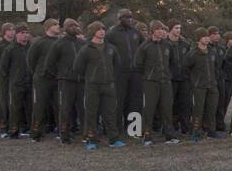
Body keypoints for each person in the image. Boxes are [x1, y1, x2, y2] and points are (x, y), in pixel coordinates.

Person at [73, 21, 124, 149]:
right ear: (92, 32)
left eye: (103, 29)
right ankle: (91, 140)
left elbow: (118, 65)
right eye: (99, 29)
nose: (102, 31)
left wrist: (111, 77)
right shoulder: (85, 49)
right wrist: (91, 77)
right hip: (92, 86)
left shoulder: (111, 48)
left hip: (109, 85)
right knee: (91, 113)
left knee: (110, 112)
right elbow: (78, 67)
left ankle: (114, 139)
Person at [132, 20, 180, 146]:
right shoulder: (145, 46)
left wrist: (167, 74)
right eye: (158, 29)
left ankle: (170, 136)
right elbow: (137, 65)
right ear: (153, 31)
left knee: (167, 108)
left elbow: (172, 62)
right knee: (149, 109)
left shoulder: (167, 45)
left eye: (163, 29)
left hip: (165, 82)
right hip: (150, 83)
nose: (161, 31)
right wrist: (149, 75)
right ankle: (147, 136)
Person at [105, 9, 142, 129]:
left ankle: (133, 127)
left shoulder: (135, 32)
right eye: (127, 17)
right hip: (119, 72)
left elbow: (143, 47)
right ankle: (115, 128)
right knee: (119, 101)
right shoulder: (112, 33)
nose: (130, 19)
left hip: (135, 72)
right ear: (120, 19)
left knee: (135, 101)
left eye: (131, 17)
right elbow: (105, 50)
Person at [184, 31, 220, 141]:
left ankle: (211, 131)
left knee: (212, 109)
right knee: (198, 110)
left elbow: (216, 66)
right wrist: (194, 80)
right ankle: (196, 131)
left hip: (212, 85)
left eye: (206, 36)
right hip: (199, 86)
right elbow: (185, 68)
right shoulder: (192, 53)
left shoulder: (212, 51)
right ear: (199, 39)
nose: (206, 38)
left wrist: (214, 79)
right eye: (204, 36)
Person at [0, 26, 32, 138]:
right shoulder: (10, 49)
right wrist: (14, 78)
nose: (25, 35)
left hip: (30, 83)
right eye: (22, 33)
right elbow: (3, 68)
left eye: (27, 33)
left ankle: (30, 129)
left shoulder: (31, 47)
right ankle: (13, 131)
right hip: (16, 84)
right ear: (17, 34)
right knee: (15, 108)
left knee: (30, 107)